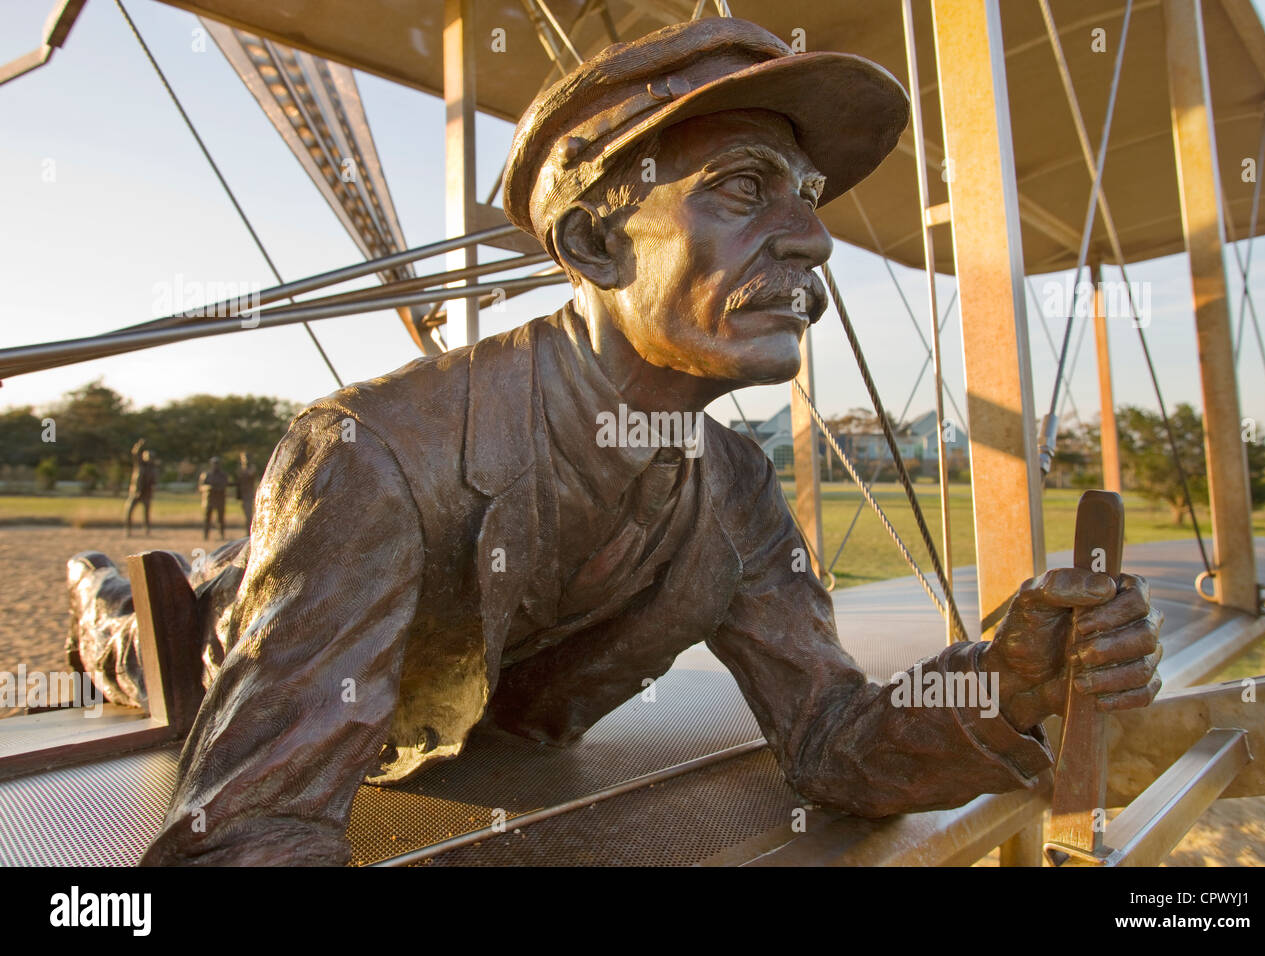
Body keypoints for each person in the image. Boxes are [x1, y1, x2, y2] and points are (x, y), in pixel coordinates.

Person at [78, 18, 1160, 866]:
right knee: (133, 639)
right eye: (743, 187)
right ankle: (102, 598)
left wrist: (1006, 681)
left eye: (808, 196)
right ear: (598, 240)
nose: (813, 236)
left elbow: (831, 735)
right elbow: (254, 822)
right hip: (227, 633)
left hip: (478, 723)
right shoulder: (373, 448)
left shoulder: (734, 489)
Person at [123, 438, 157, 537]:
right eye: (146, 456)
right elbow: (134, 453)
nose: (148, 458)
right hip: (136, 492)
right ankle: (128, 530)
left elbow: (154, 482)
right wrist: (139, 445)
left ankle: (147, 530)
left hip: (146, 494)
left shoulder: (153, 469)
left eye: (150, 456)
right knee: (129, 511)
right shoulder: (139, 466)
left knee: (146, 514)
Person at [197, 456, 228, 541]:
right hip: (208, 499)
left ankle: (222, 535)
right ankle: (206, 535)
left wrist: (217, 488)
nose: (216, 466)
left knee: (220, 519)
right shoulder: (206, 475)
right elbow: (200, 487)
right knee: (207, 519)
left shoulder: (223, 475)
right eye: (214, 464)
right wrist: (208, 488)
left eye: (217, 464)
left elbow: (224, 485)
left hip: (219, 500)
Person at [234, 452, 260, 535]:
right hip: (242, 495)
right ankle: (248, 532)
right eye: (244, 458)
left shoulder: (251, 468)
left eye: (247, 458)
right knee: (246, 515)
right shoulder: (240, 469)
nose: (245, 460)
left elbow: (250, 475)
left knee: (249, 516)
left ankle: (250, 532)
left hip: (249, 495)